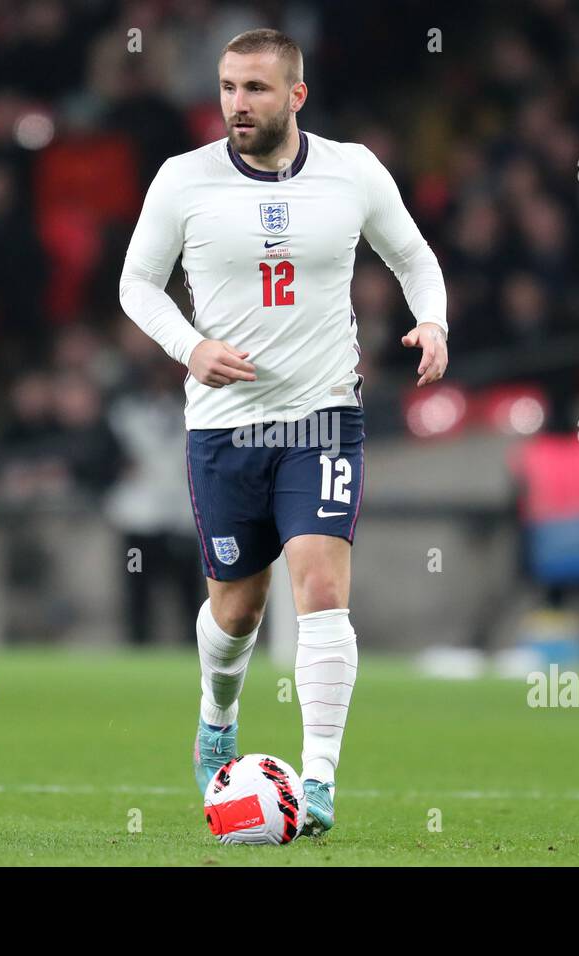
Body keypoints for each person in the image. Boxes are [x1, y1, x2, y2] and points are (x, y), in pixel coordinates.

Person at [119, 28, 448, 836]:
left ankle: (321, 778)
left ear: (296, 96)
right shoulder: (182, 180)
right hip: (226, 428)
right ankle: (217, 719)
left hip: (325, 414)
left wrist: (432, 320)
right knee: (237, 610)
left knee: (322, 587)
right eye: (229, 87)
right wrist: (191, 347)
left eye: (256, 89)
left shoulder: (353, 170)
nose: (238, 102)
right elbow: (136, 283)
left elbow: (412, 255)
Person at [509, 382, 579, 659]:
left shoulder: (533, 451)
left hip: (550, 542)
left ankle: (553, 658)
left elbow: (519, 502)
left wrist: (523, 552)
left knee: (553, 606)